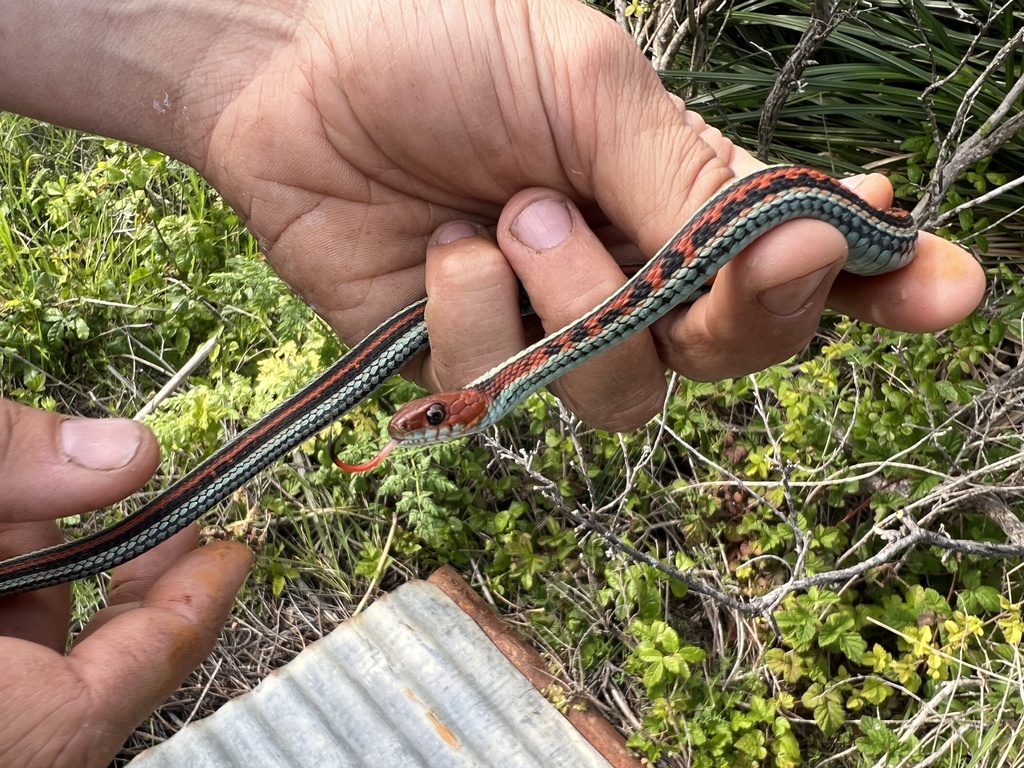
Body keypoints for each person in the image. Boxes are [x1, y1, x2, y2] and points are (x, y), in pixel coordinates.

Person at [0, 1, 985, 765]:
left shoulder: (504, 366)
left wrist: (288, 49)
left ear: (463, 408)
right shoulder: (503, 368)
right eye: (427, 420)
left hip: (817, 213)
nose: (418, 425)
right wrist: (274, 59)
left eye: (430, 420)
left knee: (828, 241)